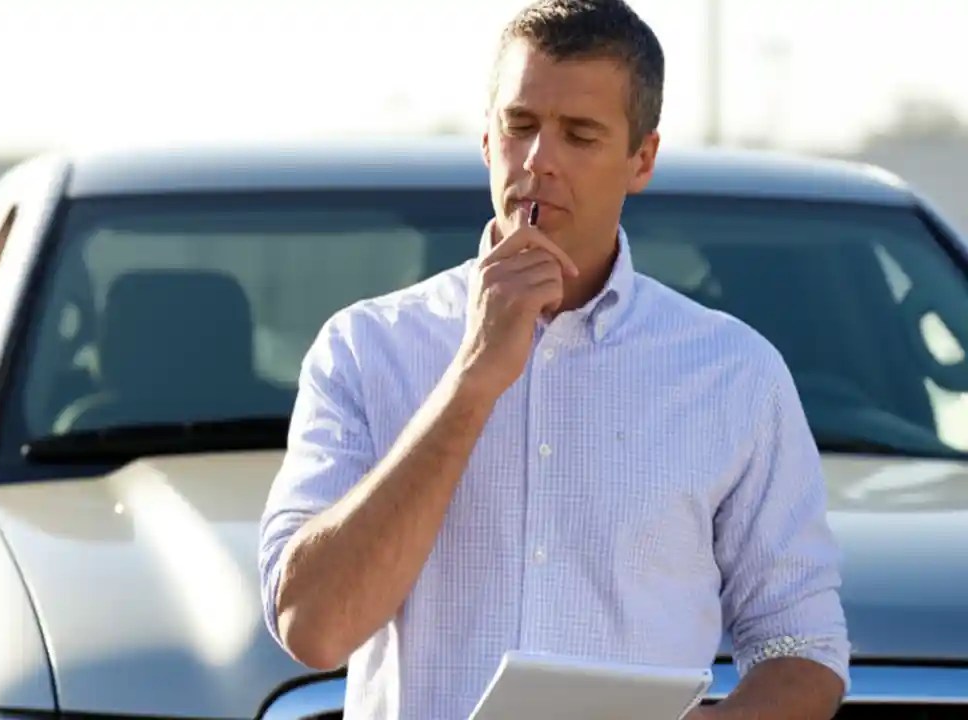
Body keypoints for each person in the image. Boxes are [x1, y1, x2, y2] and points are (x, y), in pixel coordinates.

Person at [257, 0, 850, 717]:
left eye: (580, 135)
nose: (540, 162)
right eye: (521, 126)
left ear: (643, 159)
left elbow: (800, 644)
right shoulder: (363, 349)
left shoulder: (734, 374)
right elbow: (313, 629)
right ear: (485, 139)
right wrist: (474, 378)